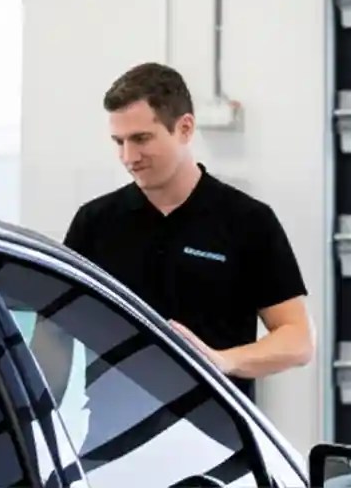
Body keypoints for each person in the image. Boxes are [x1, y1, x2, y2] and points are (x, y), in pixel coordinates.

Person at [33, 62, 314, 405]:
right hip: (113, 443)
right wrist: (31, 418)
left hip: (220, 441)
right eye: (118, 142)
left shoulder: (248, 221)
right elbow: (54, 334)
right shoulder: (94, 223)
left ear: (184, 128)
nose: (128, 156)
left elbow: (298, 339)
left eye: (141, 139)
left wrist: (223, 361)